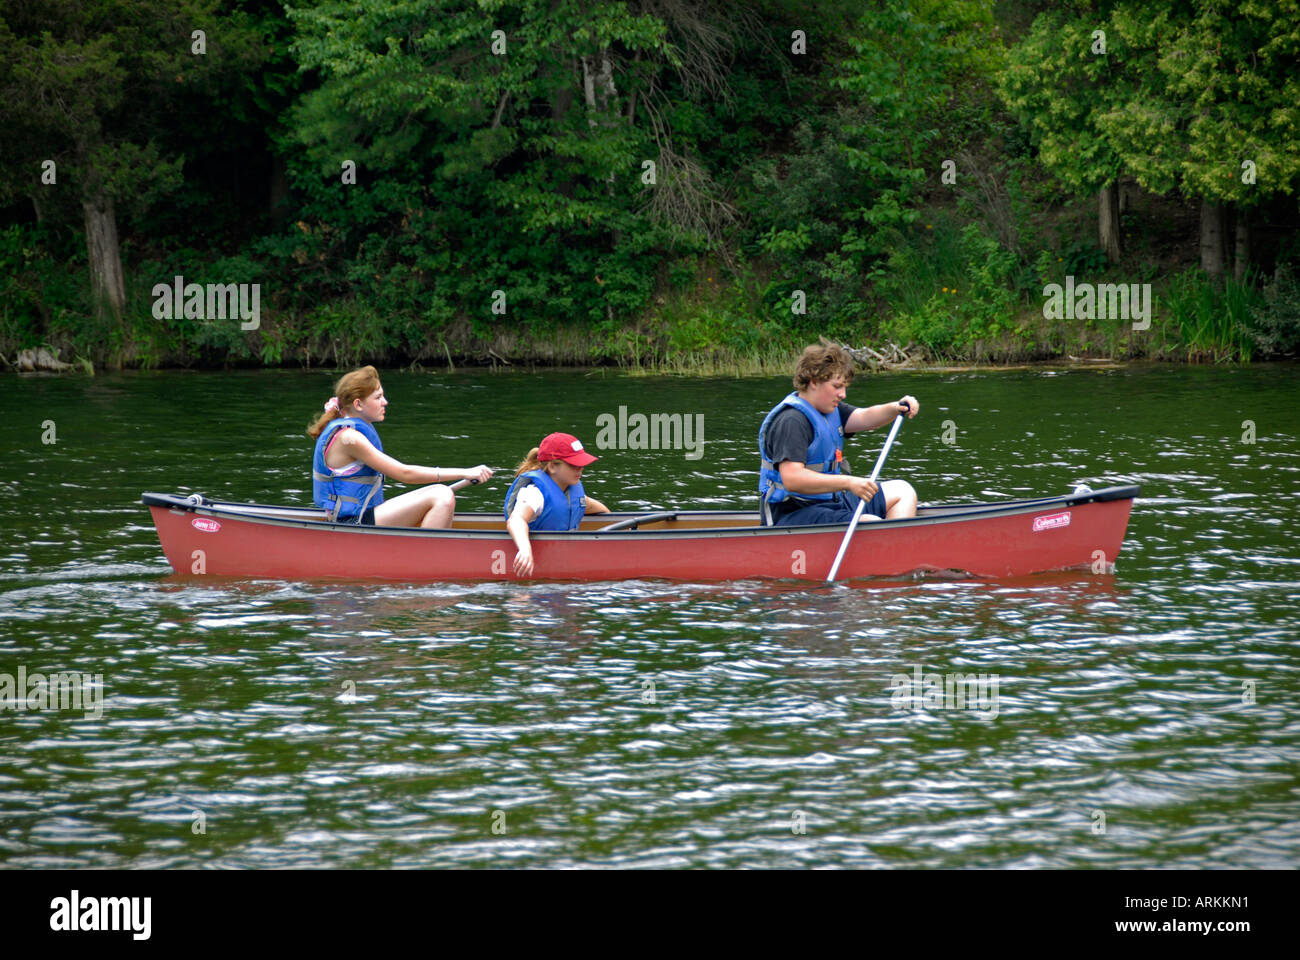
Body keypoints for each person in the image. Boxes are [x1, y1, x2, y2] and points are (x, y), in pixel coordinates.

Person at [758, 339, 919, 526]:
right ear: (813, 382)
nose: (843, 394)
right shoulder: (792, 421)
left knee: (903, 491)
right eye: (837, 386)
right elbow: (792, 479)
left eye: (844, 387)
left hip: (831, 503)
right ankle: (888, 548)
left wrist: (895, 407)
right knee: (870, 523)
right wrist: (848, 482)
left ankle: (896, 549)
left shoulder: (831, 411)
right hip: (795, 513)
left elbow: (865, 417)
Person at [307, 365, 493, 526]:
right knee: (441, 495)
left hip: (363, 515)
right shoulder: (349, 438)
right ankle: (427, 562)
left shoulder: (349, 431)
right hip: (352, 522)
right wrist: (464, 472)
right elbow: (404, 474)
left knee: (439, 493)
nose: (385, 402)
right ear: (358, 404)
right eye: (378, 397)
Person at [504, 433, 610, 576]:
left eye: (582, 464)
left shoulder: (574, 494)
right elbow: (516, 520)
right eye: (574, 465)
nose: (580, 469)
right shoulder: (534, 494)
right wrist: (525, 549)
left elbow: (603, 512)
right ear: (552, 467)